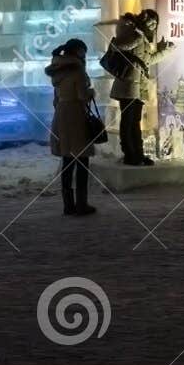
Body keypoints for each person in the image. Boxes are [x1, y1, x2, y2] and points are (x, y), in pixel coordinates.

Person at [48, 38, 99, 217]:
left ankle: (68, 205)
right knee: (82, 160)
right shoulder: (77, 70)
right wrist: (92, 92)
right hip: (76, 116)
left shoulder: (57, 70)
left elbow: (56, 98)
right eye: (84, 51)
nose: (85, 55)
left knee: (68, 161)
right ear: (78, 51)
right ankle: (82, 204)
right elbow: (82, 95)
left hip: (61, 114)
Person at [106, 13, 150, 166]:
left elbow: (147, 61)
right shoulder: (136, 35)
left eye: (153, 24)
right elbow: (117, 46)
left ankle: (138, 153)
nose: (151, 26)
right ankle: (130, 154)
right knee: (129, 121)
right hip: (128, 85)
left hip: (137, 86)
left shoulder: (141, 37)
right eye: (149, 22)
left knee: (134, 121)